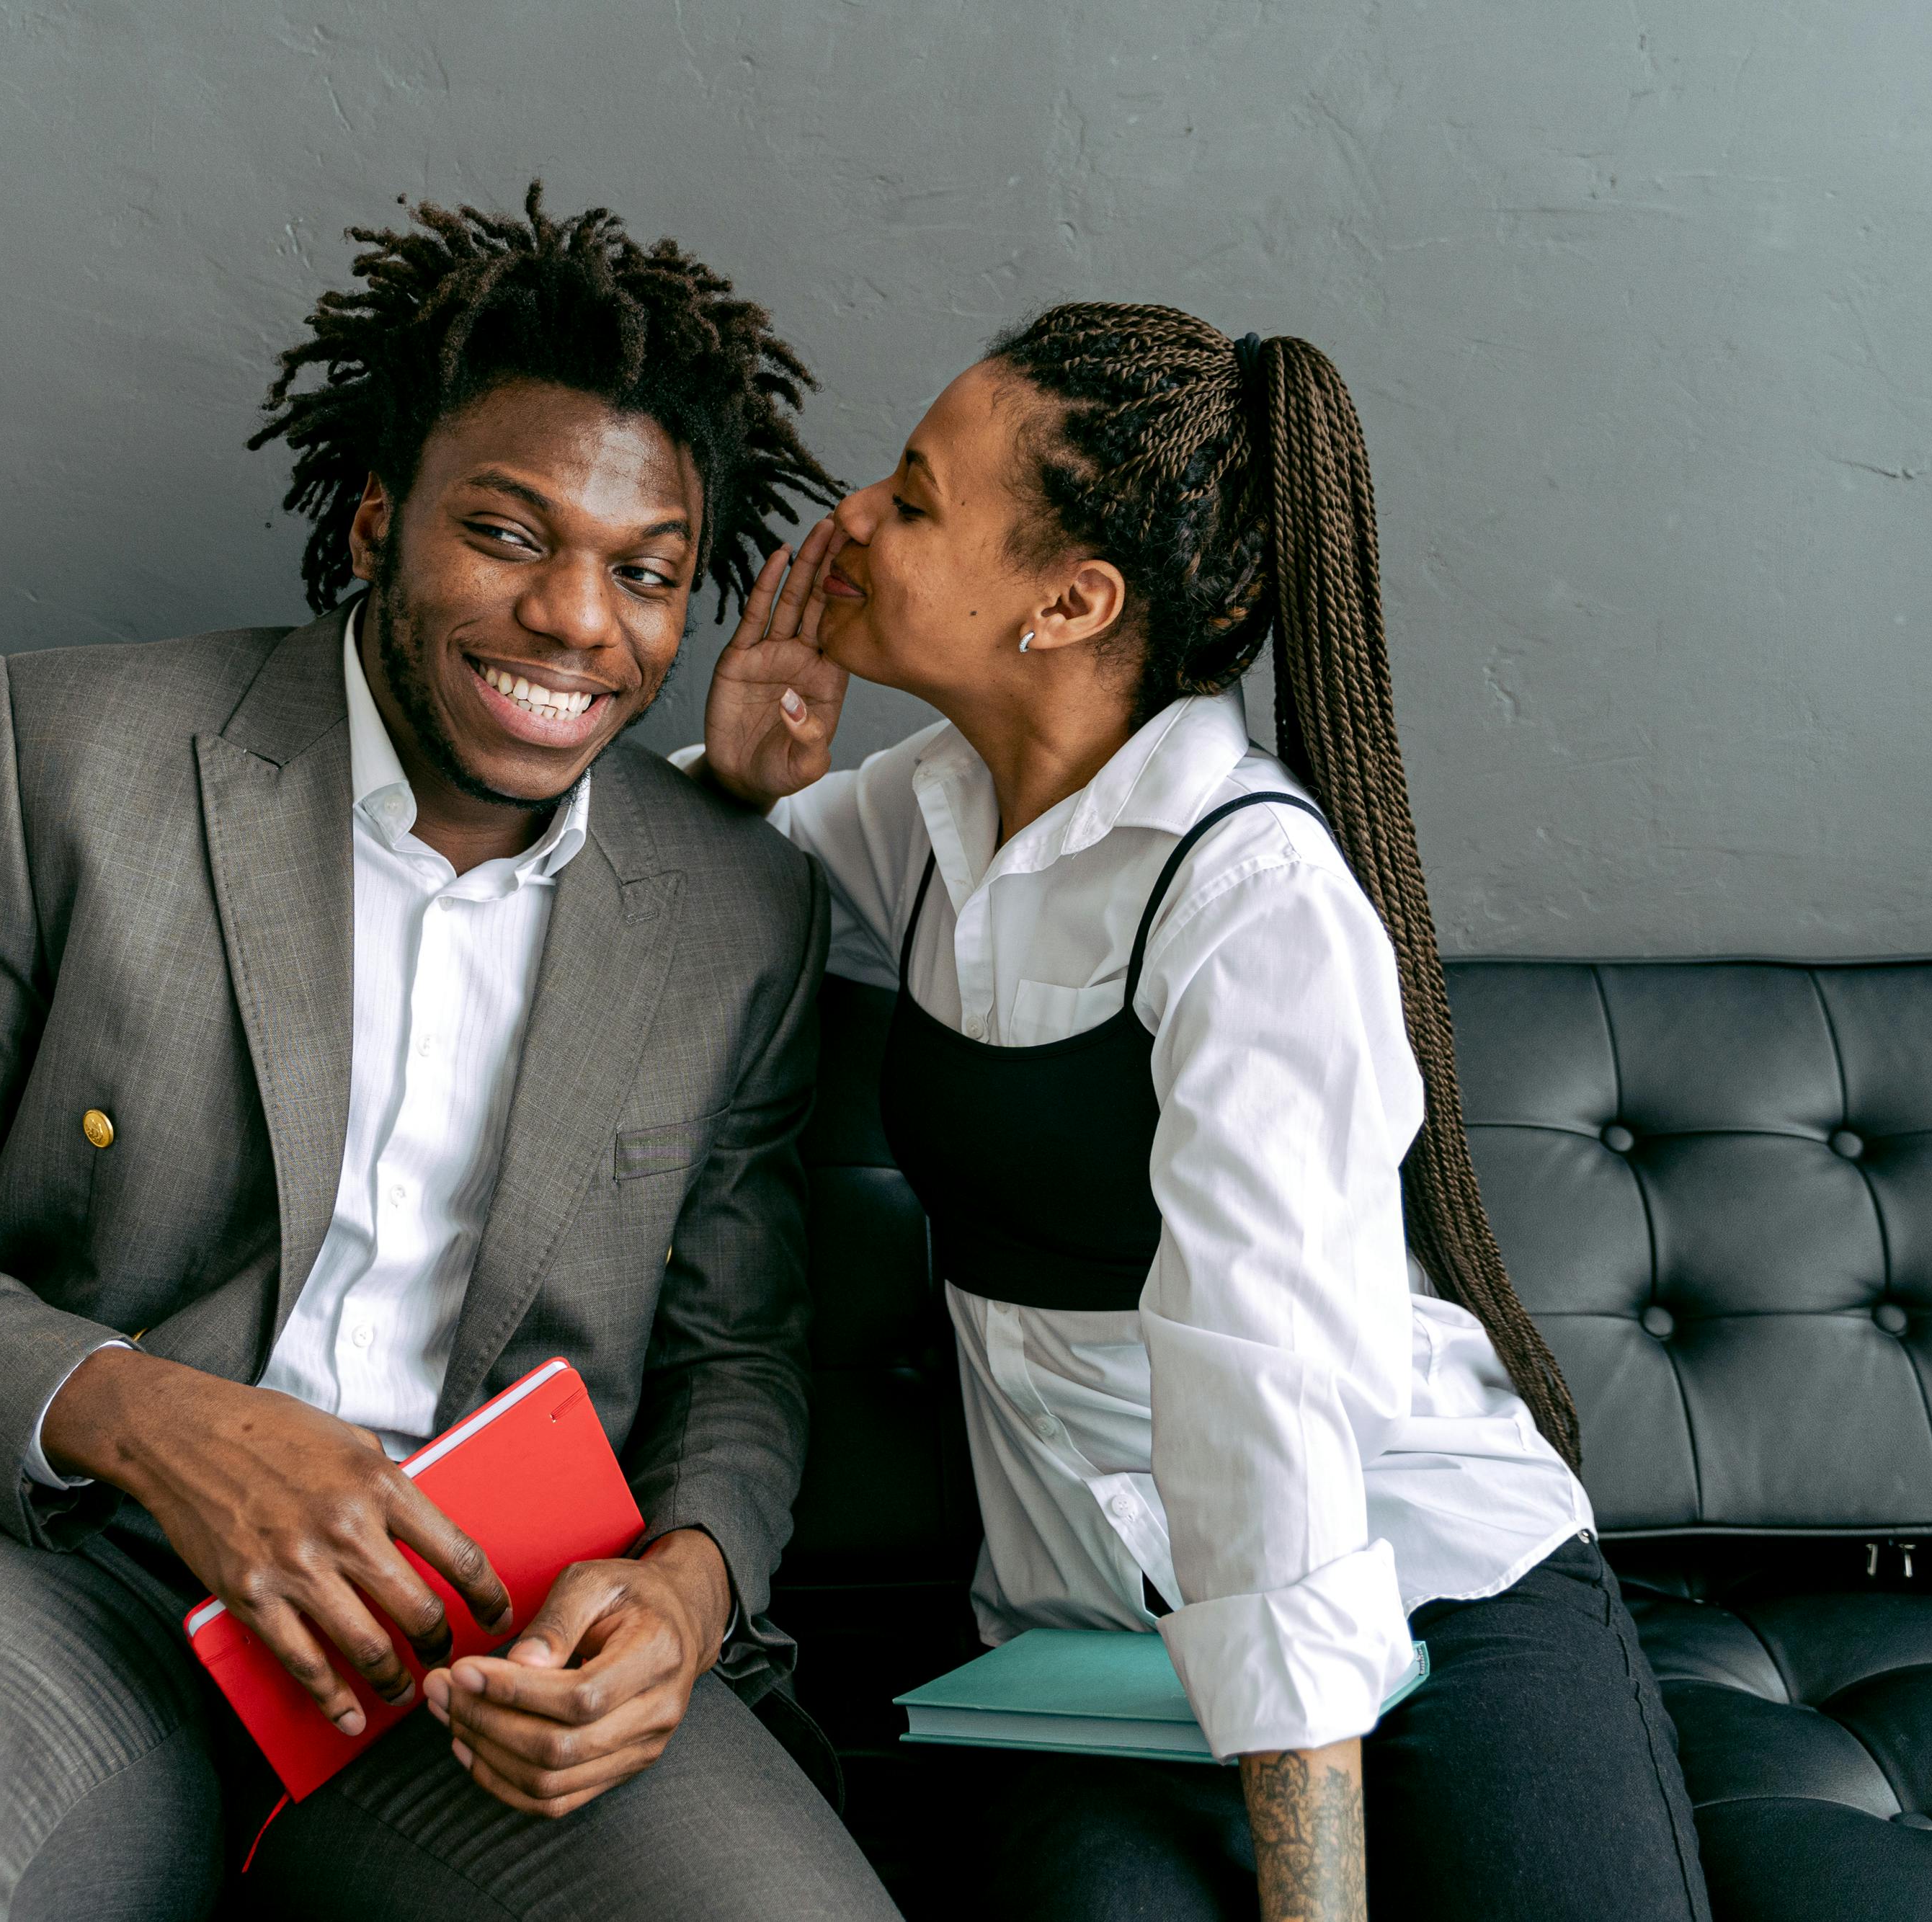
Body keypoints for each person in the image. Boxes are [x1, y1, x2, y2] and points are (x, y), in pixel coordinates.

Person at [0, 186, 901, 1921]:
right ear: (372, 520)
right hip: (33, 1562)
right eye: (505, 534)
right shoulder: (67, 753)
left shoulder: (731, 906)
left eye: (643, 571)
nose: (578, 619)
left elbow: (738, 1359)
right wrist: (156, 1422)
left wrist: (684, 1593)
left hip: (478, 1639)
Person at [692, 306, 1710, 1922]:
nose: (853, 520)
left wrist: (1315, 1898)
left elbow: (1266, 1407)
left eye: (911, 488)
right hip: (1088, 1635)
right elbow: (671, 929)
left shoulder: (1249, 900)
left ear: (1070, 599)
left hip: (1420, 1566)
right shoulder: (931, 809)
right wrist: (738, 778)